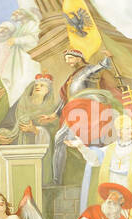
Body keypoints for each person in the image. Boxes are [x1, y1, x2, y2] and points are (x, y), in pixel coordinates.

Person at [52, 48, 123, 184]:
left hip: (89, 106)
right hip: (75, 108)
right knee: (59, 139)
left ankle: (109, 175)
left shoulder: (88, 69)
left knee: (98, 140)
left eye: (70, 58)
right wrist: (55, 114)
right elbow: (66, 98)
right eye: (66, 59)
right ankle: (57, 180)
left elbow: (102, 66)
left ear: (79, 58)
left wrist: (108, 57)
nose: (68, 61)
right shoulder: (71, 78)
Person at [0, 73, 59, 180]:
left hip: (38, 155)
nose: (38, 87)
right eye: (36, 85)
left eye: (42, 85)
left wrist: (35, 130)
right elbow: (6, 124)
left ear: (48, 91)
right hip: (15, 151)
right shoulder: (20, 105)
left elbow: (53, 134)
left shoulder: (51, 110)